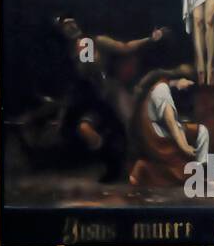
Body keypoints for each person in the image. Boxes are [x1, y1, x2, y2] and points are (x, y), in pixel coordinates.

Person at [53, 14, 168, 181]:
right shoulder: (69, 52)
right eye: (65, 26)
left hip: (101, 95)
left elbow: (125, 47)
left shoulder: (92, 42)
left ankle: (127, 168)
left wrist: (150, 39)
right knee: (80, 130)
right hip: (84, 98)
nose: (70, 27)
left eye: (72, 23)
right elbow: (78, 77)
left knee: (125, 127)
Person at [127, 66, 210, 186]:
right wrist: (184, 146)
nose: (189, 86)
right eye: (189, 82)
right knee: (183, 169)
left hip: (160, 131)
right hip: (157, 139)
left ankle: (199, 172)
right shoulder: (161, 89)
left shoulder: (164, 84)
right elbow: (171, 122)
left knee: (200, 131)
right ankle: (144, 169)